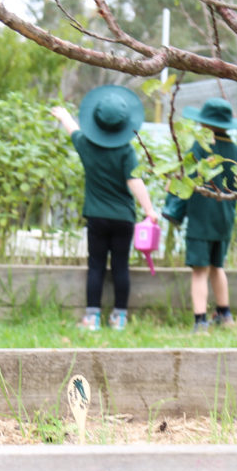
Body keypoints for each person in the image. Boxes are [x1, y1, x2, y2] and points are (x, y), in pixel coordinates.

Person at [51, 85, 158, 331]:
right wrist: (149, 210)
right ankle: (120, 317)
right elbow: (135, 181)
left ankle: (92, 318)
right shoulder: (125, 150)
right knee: (121, 266)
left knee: (96, 266)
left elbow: (73, 130)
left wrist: (65, 115)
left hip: (97, 217)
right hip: (123, 218)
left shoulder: (86, 145)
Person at [179, 97, 237, 334]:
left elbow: (185, 180)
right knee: (217, 266)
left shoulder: (198, 148)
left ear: (204, 124)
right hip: (224, 218)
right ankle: (224, 313)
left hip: (201, 218)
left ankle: (200, 321)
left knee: (200, 270)